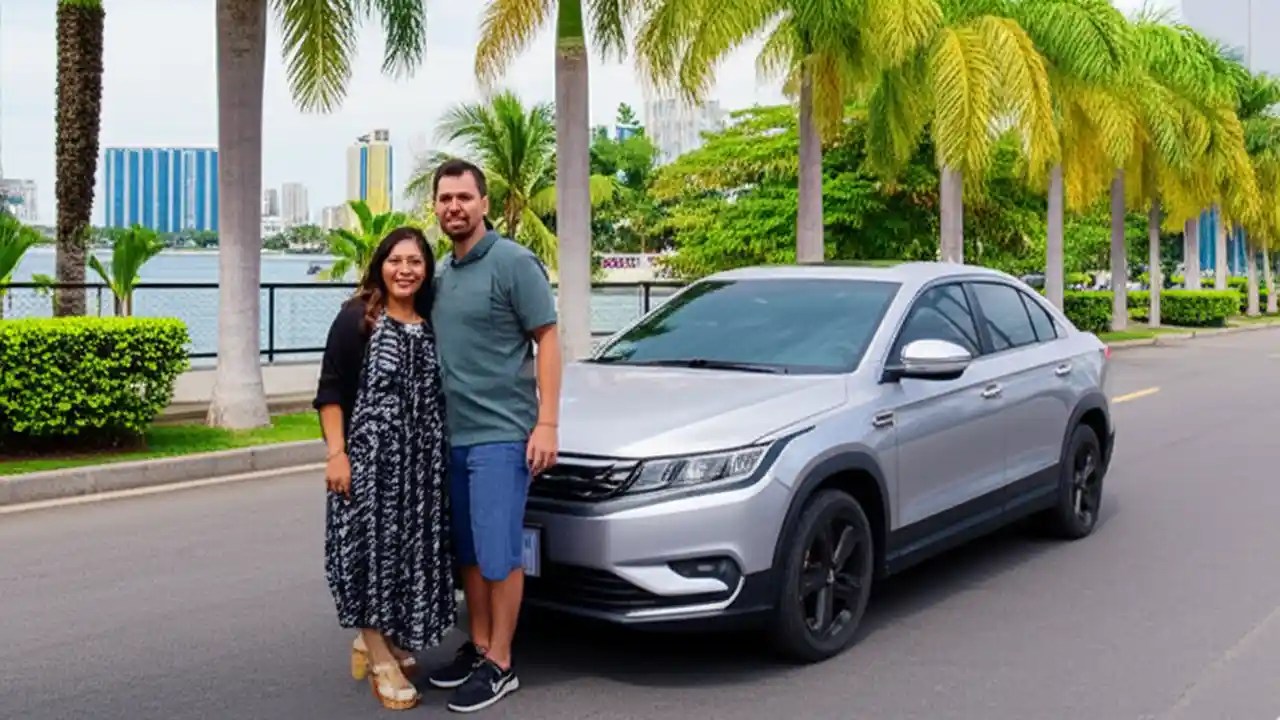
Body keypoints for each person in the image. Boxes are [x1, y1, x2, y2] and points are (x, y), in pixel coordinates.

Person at [424, 158, 562, 713]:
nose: (454, 207)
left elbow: (547, 338)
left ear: (484, 203)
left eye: (464, 197)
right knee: (470, 553)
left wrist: (547, 422)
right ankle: (479, 646)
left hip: (501, 435)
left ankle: (501, 663)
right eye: (445, 198)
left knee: (499, 553)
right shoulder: (441, 272)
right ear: (435, 207)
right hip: (451, 437)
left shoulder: (513, 263)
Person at [313, 226, 457, 711]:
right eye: (396, 260)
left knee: (406, 558)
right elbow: (331, 391)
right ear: (381, 265)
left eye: (415, 261)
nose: (405, 270)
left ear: (426, 269)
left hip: (421, 470)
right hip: (370, 465)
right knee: (367, 558)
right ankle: (378, 657)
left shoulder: (431, 321)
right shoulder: (358, 318)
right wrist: (337, 454)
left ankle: (380, 640)